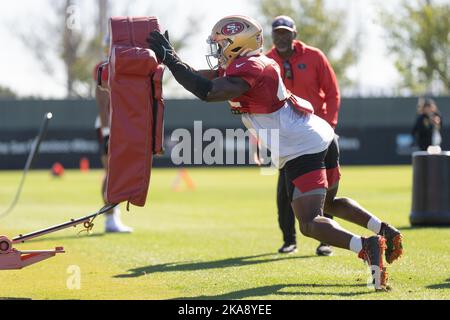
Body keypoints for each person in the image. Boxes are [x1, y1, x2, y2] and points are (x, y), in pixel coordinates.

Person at [147, 15, 403, 290]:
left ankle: (366, 246)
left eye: (220, 44)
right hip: (316, 135)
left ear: (236, 44)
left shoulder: (252, 66)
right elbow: (200, 77)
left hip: (301, 146)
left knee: (309, 222)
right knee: (329, 204)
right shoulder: (246, 63)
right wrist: (171, 60)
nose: (216, 50)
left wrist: (171, 59)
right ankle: (385, 230)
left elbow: (207, 91)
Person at [266, 16, 340, 256]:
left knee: (326, 189)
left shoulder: (315, 56)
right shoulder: (266, 62)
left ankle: (326, 240)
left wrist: (329, 124)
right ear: (272, 36)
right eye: (277, 33)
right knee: (285, 192)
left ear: (294, 34)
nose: (282, 37)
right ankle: (289, 240)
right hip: (287, 137)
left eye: (286, 32)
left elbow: (332, 92)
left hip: (318, 132)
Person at [93, 37, 133, 233]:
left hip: (122, 127)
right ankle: (110, 218)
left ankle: (113, 215)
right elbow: (101, 101)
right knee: (111, 173)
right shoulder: (104, 67)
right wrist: (107, 130)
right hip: (110, 127)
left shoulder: (126, 66)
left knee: (118, 173)